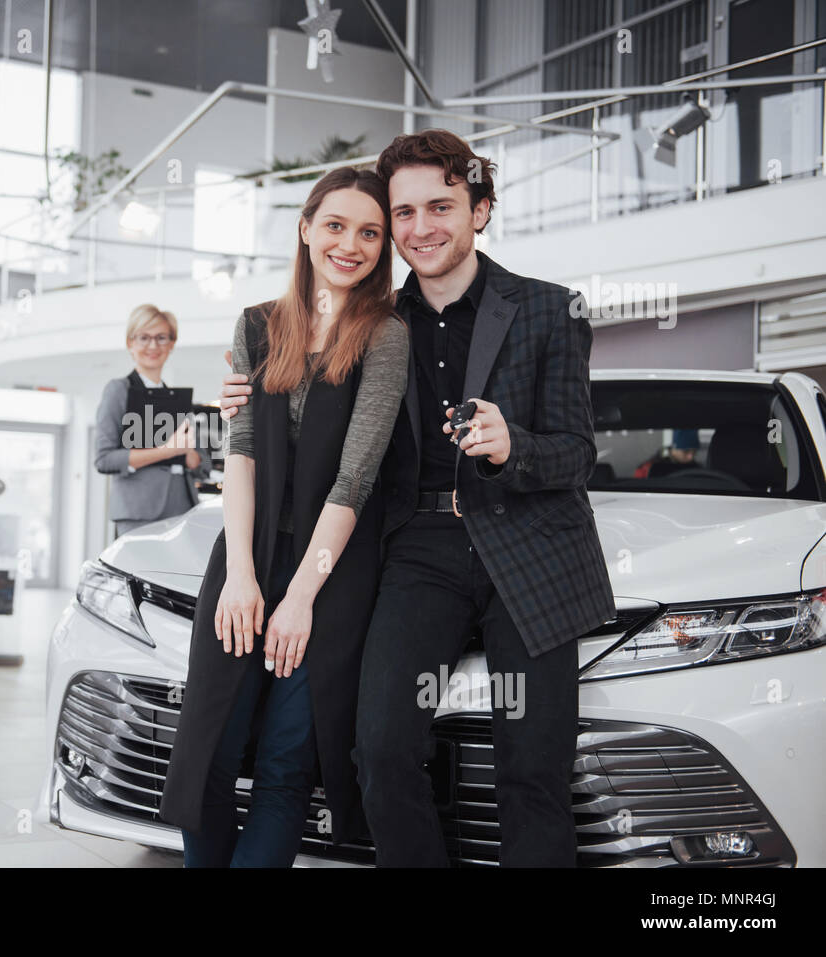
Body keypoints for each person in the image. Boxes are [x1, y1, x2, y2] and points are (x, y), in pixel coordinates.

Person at [219, 129, 616, 867]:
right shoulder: (372, 324)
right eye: (403, 213)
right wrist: (241, 399)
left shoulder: (551, 309)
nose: (420, 227)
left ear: (481, 210)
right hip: (417, 551)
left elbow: (579, 452)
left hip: (533, 547)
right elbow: (307, 425)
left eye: (441, 205)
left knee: (532, 768)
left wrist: (513, 446)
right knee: (382, 750)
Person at [159, 167, 409, 867]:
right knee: (205, 753)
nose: (350, 244)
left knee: (285, 764)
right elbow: (240, 454)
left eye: (369, 232)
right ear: (305, 228)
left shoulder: (385, 335)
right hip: (247, 554)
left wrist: (300, 597)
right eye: (336, 225)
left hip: (332, 570)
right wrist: (242, 573)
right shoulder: (257, 326)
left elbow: (356, 476)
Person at [94, 304, 210, 537]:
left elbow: (203, 465)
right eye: (144, 338)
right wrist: (167, 451)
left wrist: (190, 455)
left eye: (161, 338)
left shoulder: (177, 399)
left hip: (183, 509)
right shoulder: (119, 391)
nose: (153, 346)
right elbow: (104, 459)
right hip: (139, 512)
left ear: (171, 344)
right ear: (130, 343)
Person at [634, 428, 700, 478]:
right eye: (686, 452)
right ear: (673, 449)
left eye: (694, 452)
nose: (691, 457)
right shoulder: (650, 468)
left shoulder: (698, 470)